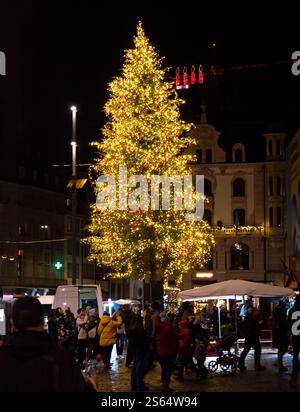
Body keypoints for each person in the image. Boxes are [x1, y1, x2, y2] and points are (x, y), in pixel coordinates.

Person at [0, 296, 96, 392]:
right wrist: (91, 383)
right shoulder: (62, 358)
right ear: (42, 321)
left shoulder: (3, 357)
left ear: (12, 323)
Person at [155, 311, 178, 391]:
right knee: (169, 368)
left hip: (161, 350)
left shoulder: (159, 327)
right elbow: (175, 336)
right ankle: (165, 385)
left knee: (164, 368)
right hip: (168, 350)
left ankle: (164, 383)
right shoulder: (167, 328)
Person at [238, 307, 266, 371]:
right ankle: (257, 365)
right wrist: (258, 324)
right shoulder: (249, 318)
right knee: (256, 350)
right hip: (252, 336)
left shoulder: (249, 317)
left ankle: (241, 364)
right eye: (253, 310)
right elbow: (252, 327)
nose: (254, 311)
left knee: (247, 350)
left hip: (250, 336)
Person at [270, 301, 289, 372]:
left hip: (277, 332)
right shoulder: (281, 312)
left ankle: (278, 363)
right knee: (283, 348)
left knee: (281, 349)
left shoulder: (275, 310)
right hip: (281, 333)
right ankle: (280, 365)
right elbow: (283, 322)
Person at [288, 294, 300, 387]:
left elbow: (289, 324)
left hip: (295, 336)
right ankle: (294, 378)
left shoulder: (292, 310)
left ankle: (293, 378)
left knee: (295, 356)